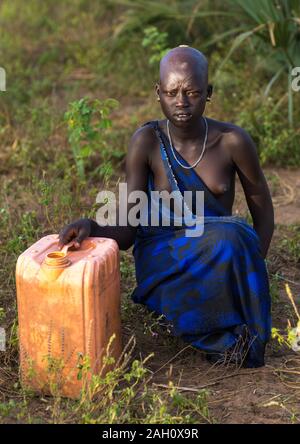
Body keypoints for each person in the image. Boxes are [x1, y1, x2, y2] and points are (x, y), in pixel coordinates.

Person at [59, 46, 274, 368]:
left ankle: (224, 313)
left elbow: (263, 210)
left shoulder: (233, 141)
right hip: (164, 254)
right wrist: (91, 225)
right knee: (230, 236)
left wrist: (251, 270)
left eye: (192, 92)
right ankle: (203, 323)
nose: (182, 102)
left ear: (209, 93)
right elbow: (129, 229)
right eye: (172, 92)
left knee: (231, 237)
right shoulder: (146, 141)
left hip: (218, 251)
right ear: (158, 93)